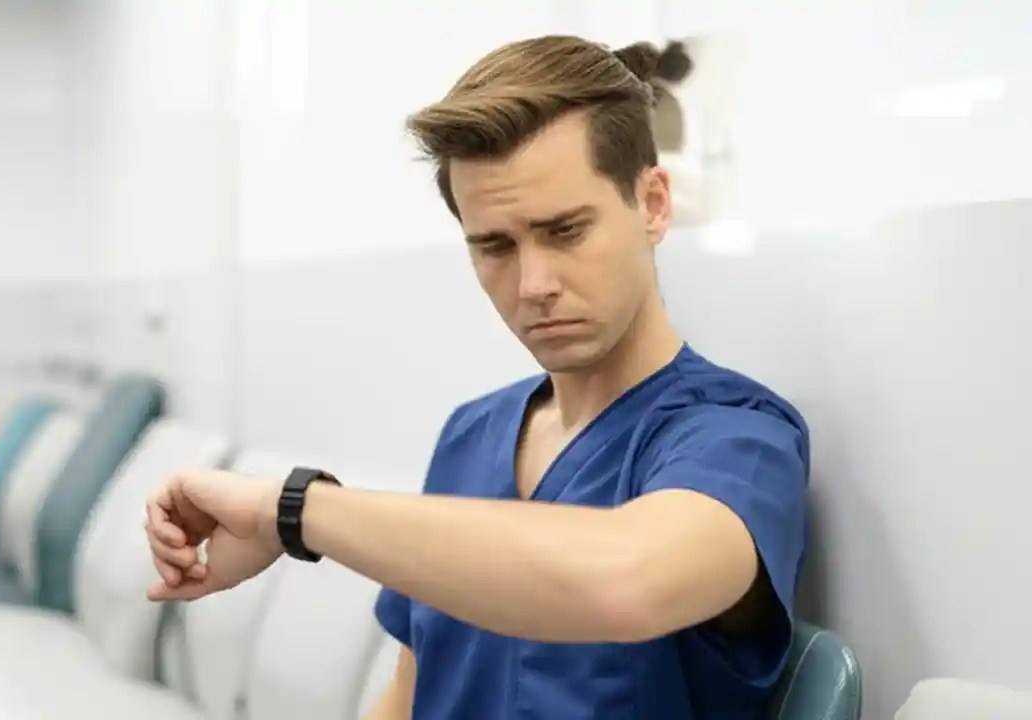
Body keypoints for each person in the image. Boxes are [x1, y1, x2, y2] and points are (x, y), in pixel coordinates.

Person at [144, 35, 808, 720]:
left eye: (566, 231)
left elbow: (623, 581)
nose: (534, 284)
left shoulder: (738, 439)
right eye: (494, 246)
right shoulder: (472, 434)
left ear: (653, 204)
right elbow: (409, 694)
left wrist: (291, 512)